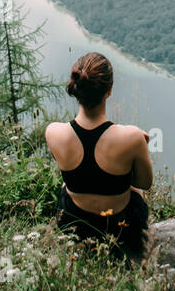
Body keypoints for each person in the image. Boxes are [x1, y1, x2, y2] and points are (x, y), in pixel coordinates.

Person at [45, 51, 153, 259]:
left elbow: (80, 170)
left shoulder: (53, 132)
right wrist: (135, 145)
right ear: (109, 90)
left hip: (75, 224)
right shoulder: (131, 137)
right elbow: (145, 183)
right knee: (137, 194)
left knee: (65, 188)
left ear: (76, 88)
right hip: (119, 226)